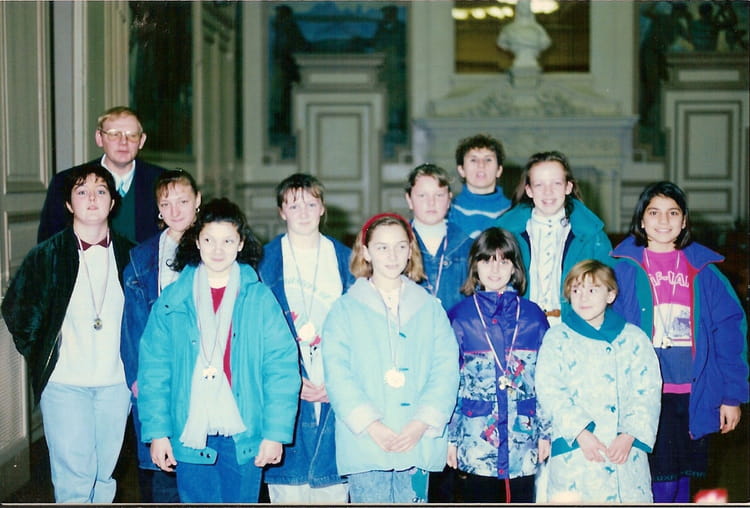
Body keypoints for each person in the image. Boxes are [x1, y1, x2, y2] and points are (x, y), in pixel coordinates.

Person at [137, 198, 301, 503]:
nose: (217, 249)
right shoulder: (174, 300)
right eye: (209, 240)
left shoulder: (260, 299)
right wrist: (158, 432)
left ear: (240, 244)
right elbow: (154, 370)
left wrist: (275, 434)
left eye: (228, 240)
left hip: (246, 429)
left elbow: (281, 369)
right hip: (188, 428)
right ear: (197, 241)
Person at [2, 164, 133, 502]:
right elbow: (18, 310)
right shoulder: (47, 255)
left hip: (115, 384)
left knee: (104, 476)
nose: (92, 198)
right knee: (75, 479)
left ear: (113, 203)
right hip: (65, 384)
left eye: (101, 191)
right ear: (69, 205)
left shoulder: (132, 255)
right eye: (81, 191)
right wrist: (44, 351)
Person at [611, 181, 748, 503]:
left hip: (694, 393)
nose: (663, 221)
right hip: (644, 397)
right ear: (641, 220)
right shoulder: (621, 270)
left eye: (673, 213)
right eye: (654, 212)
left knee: (686, 479)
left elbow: (729, 336)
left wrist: (732, 397)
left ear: (684, 220)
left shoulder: (706, 271)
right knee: (656, 480)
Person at [322, 213, 459, 503]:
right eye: (382, 247)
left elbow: (446, 371)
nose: (392, 255)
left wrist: (420, 423)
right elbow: (337, 374)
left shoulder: (431, 309)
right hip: (367, 441)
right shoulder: (344, 309)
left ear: (410, 250)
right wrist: (372, 425)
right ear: (366, 251)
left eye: (400, 246)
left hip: (417, 439)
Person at [259, 173, 353, 503]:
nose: (303, 212)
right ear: (281, 211)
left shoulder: (347, 259)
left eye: (311, 203)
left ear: (323, 208)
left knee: (332, 487)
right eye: (294, 204)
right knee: (289, 488)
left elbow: (358, 331)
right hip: (286, 389)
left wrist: (337, 382)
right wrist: (289, 379)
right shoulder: (263, 262)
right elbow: (257, 335)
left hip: (333, 389)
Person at [535, 260, 662, 503]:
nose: (583, 297)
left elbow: (647, 390)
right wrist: (580, 432)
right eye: (576, 290)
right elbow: (549, 389)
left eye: (592, 290)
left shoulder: (634, 338)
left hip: (623, 452)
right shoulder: (557, 338)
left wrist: (630, 435)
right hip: (577, 450)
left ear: (611, 294)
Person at [446, 227, 550, 503]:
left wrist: (546, 434)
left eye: (504, 261)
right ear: (475, 266)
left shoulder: (533, 316)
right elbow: (450, 384)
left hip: (522, 439)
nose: (495, 269)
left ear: (515, 268)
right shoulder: (459, 317)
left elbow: (546, 381)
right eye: (487, 260)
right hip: (477, 440)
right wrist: (451, 439)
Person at [120, 169, 201, 502]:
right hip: (160, 374)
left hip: (203, 373)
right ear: (157, 209)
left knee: (202, 469)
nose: (176, 210)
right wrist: (137, 378)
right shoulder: (142, 259)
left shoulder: (216, 247)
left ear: (198, 201)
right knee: (163, 472)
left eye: (183, 201)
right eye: (166, 204)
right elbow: (132, 325)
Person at [497, 150, 612, 325]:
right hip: (519, 328)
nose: (548, 192)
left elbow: (608, 287)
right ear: (528, 190)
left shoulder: (593, 236)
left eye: (556, 183)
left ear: (568, 187)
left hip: (575, 327)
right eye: (539, 185)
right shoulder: (504, 233)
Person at [38, 106, 164, 244]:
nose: (123, 142)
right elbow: (48, 248)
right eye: (114, 134)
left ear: (141, 141)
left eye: (132, 135)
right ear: (99, 138)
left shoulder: (162, 182)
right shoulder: (64, 182)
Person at [405, 163, 473, 312]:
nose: (431, 202)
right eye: (422, 195)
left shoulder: (468, 246)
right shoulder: (398, 245)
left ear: (449, 199)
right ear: (409, 199)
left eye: (439, 195)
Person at [447, 134, 512, 239]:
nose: (481, 165)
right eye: (473, 160)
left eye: (488, 160)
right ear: (461, 170)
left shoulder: (512, 211)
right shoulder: (448, 211)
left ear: (499, 170)